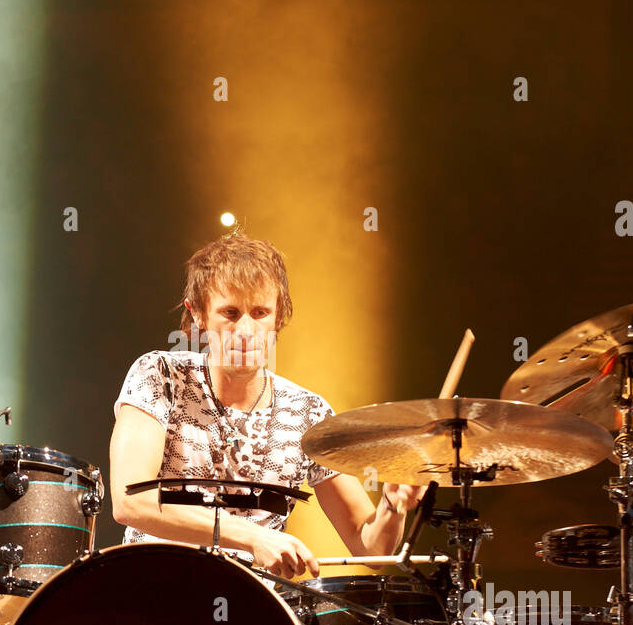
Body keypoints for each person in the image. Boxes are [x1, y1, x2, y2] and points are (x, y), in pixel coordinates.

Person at [109, 227, 424, 579]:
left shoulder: (308, 413)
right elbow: (129, 500)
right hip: (149, 588)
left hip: (253, 609)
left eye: (259, 312)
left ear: (279, 317)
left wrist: (392, 505)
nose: (245, 330)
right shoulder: (160, 375)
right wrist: (253, 537)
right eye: (230, 313)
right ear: (197, 313)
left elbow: (370, 548)